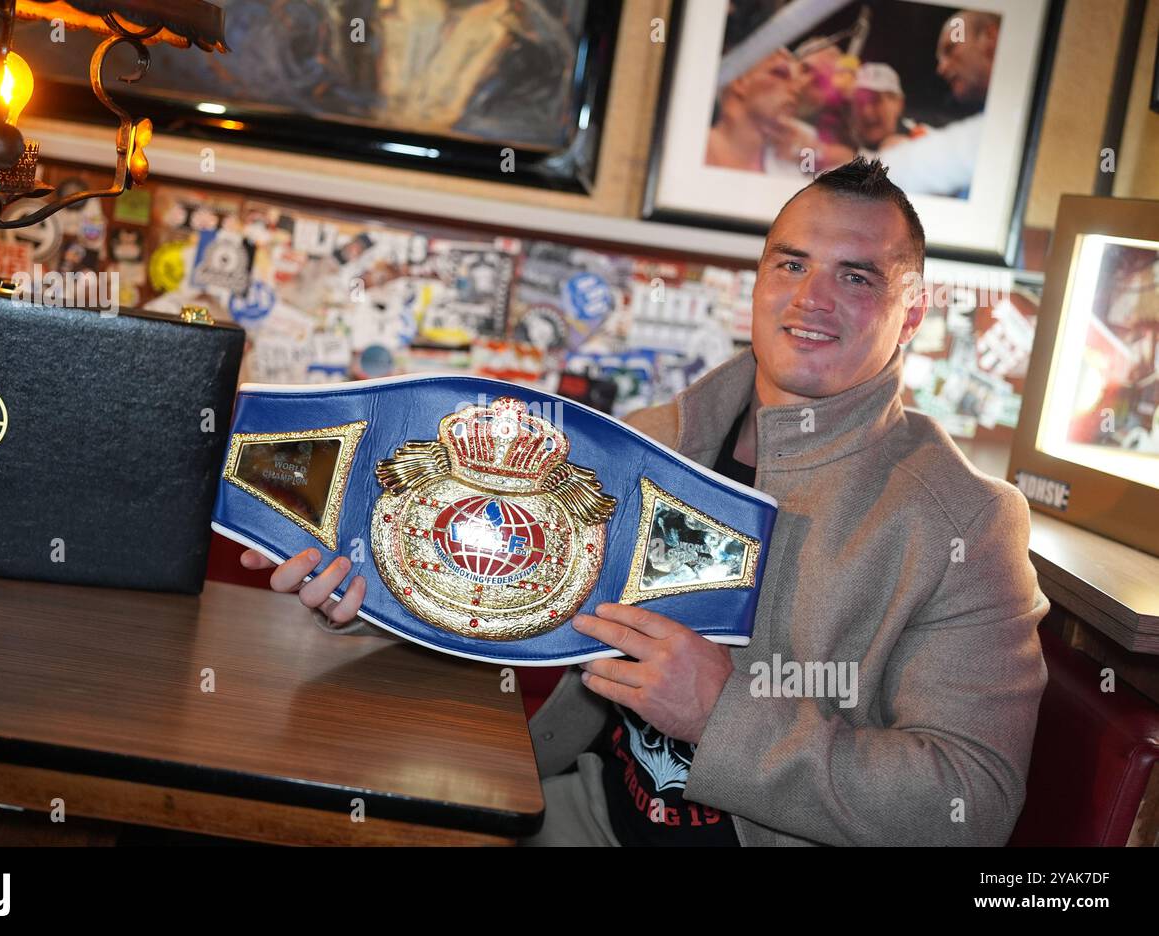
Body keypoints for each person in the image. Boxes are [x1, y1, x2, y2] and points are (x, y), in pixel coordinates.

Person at [240, 157, 1049, 847]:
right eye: (791, 264)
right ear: (759, 282)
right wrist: (370, 590)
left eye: (857, 276)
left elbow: (970, 802)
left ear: (911, 311)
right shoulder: (647, 441)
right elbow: (502, 607)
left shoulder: (964, 522)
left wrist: (722, 716)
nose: (812, 298)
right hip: (579, 810)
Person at [873, 9, 999, 197]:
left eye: (950, 49)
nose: (941, 68)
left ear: (990, 37)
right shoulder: (987, 126)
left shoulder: (1011, 122)